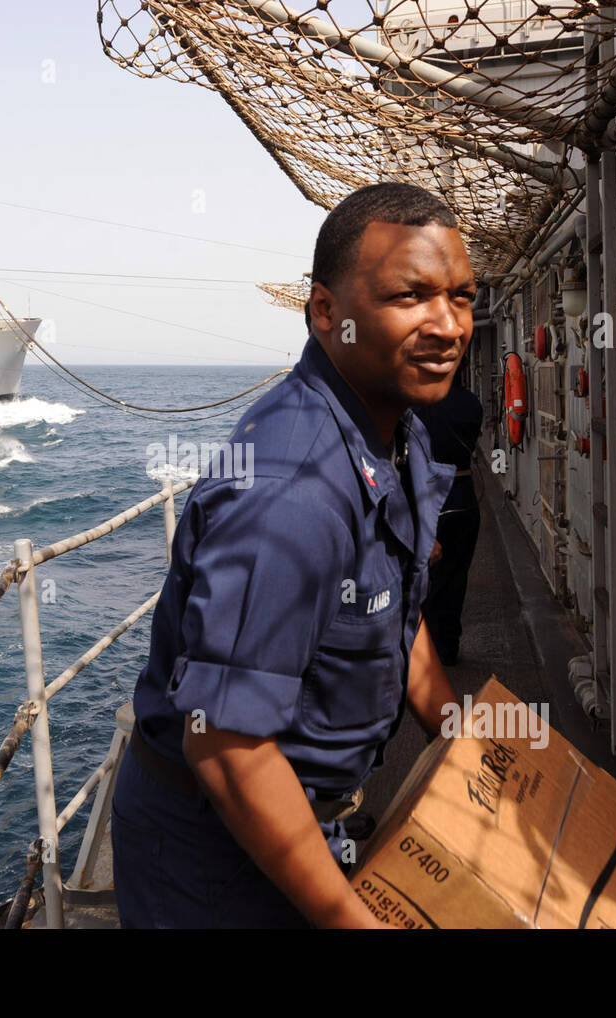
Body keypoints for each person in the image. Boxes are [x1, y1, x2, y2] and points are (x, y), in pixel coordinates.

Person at [111, 182, 475, 928]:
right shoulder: (290, 494)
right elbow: (228, 744)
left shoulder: (392, 434)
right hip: (214, 862)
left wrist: (467, 745)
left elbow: (394, 613)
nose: (447, 325)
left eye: (463, 297)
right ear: (325, 312)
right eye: (410, 296)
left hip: (308, 816)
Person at [417, 380, 483, 665]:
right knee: (456, 576)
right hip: (464, 495)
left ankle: (425, 648)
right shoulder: (472, 403)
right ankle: (448, 647)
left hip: (429, 497)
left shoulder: (415, 406)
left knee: (423, 578)